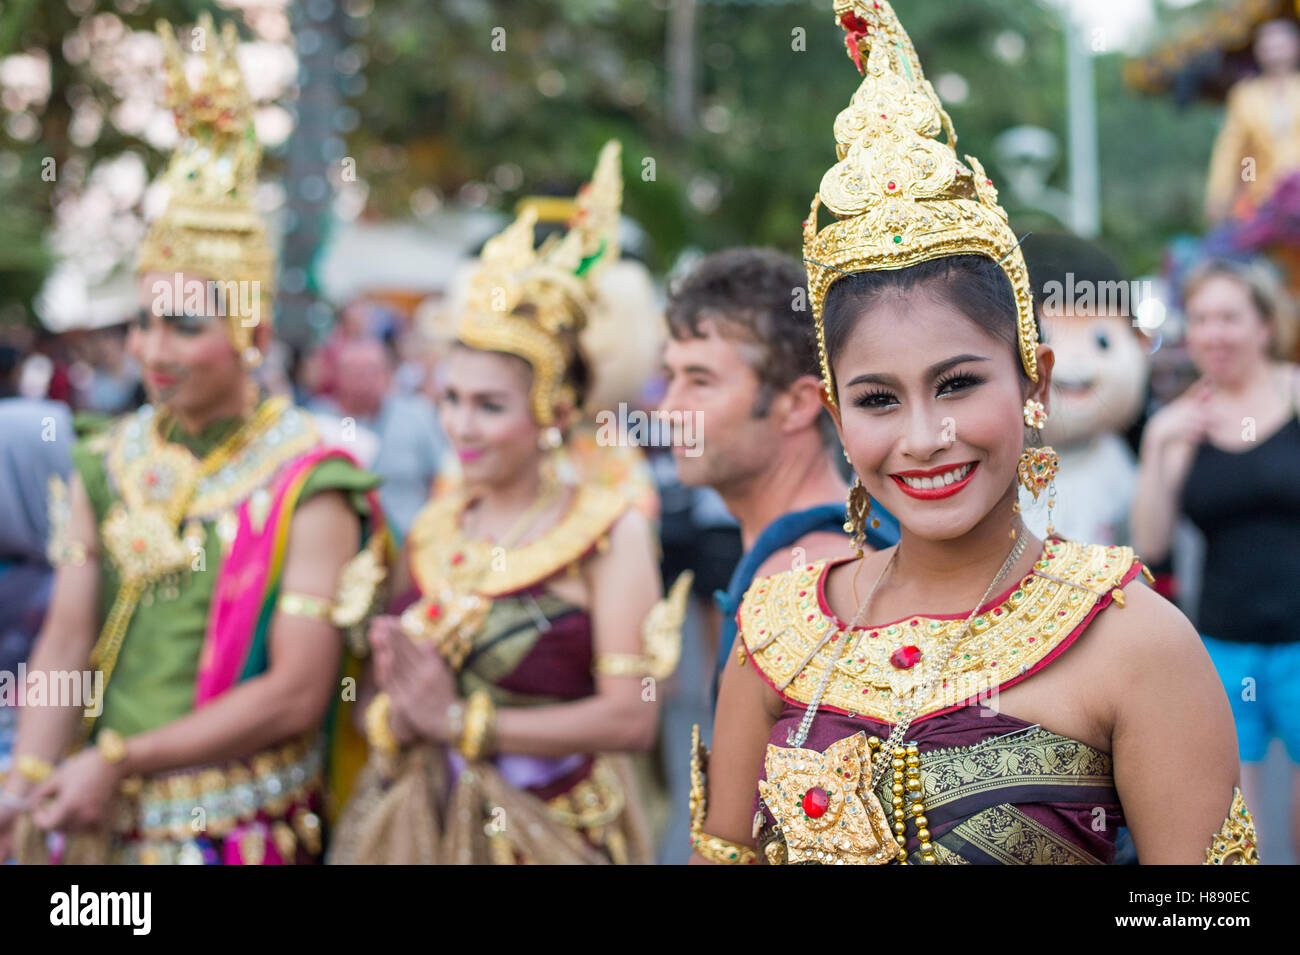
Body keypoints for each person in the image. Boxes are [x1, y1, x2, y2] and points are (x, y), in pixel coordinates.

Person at [688, 0, 1255, 866]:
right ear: (838, 417)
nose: (924, 436)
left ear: (1035, 382)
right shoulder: (776, 629)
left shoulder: (1134, 639)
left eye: (957, 383)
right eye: (879, 400)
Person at [0, 15, 386, 865]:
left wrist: (122, 758)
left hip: (236, 831)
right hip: (98, 819)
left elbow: (295, 692)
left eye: (181, 325)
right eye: (143, 321)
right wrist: (26, 774)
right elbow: (66, 638)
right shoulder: (104, 458)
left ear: (249, 330)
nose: (151, 350)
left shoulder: (311, 483)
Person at [328, 141, 683, 865]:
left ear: (552, 411)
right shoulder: (439, 518)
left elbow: (633, 715)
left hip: (552, 830)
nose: (459, 425)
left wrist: (463, 722)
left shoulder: (607, 529)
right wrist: (395, 710)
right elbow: (378, 688)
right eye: (451, 399)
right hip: (421, 821)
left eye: (489, 405)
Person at [659, 247, 897, 700]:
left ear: (798, 404)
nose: (669, 410)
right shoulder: (815, 547)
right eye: (669, 376)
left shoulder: (812, 578)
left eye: (700, 381)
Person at [1132, 256, 1300, 859]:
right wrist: (1158, 443)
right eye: (1200, 319)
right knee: (1238, 825)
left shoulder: (1296, 394)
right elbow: (1150, 543)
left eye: (1229, 317)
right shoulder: (1183, 425)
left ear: (1263, 326)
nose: (1213, 333)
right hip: (1224, 645)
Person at [309, 337, 447, 542]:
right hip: (343, 546)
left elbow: (442, 475)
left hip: (411, 542)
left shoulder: (417, 416)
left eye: (371, 371)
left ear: (387, 375)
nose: (362, 380)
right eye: (353, 372)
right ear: (338, 376)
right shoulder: (318, 423)